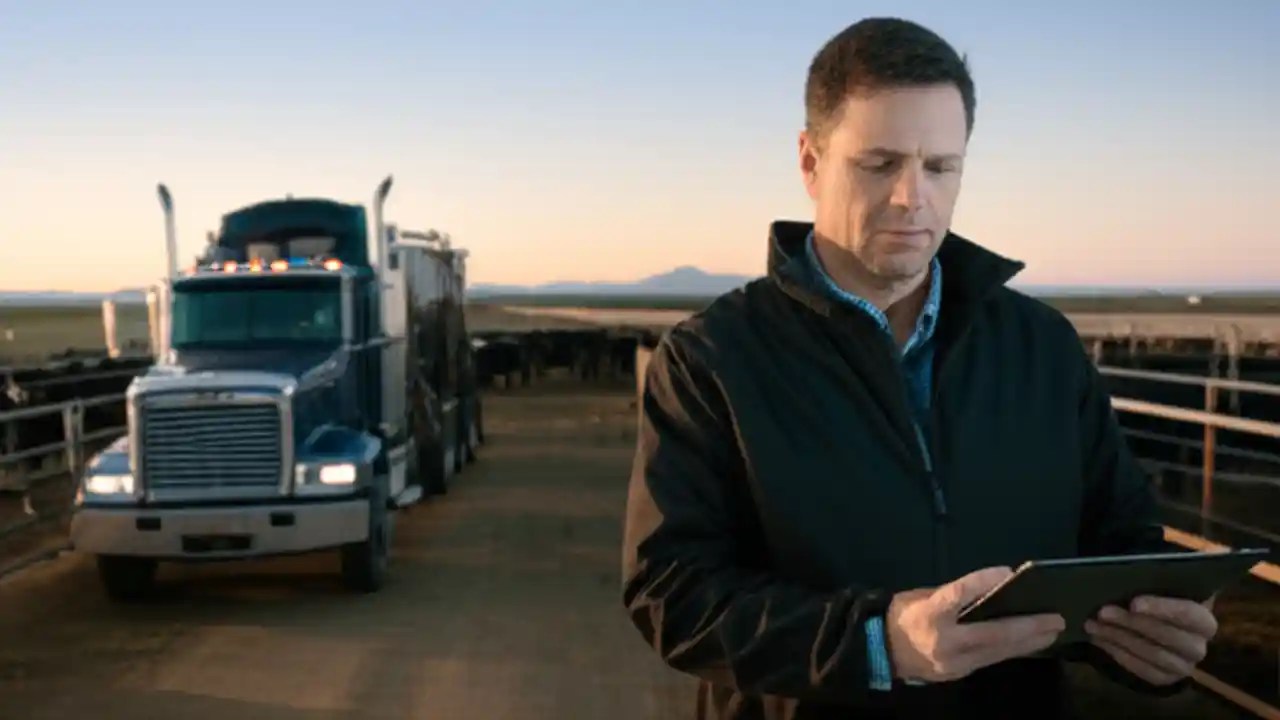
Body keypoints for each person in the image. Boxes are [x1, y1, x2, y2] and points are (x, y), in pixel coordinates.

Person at [620, 16, 1219, 720]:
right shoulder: (712, 358)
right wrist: (881, 643)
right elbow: (672, 596)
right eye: (880, 164)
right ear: (809, 161)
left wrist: (1156, 638)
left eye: (940, 166)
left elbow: (1122, 540)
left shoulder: (1042, 347)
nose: (914, 197)